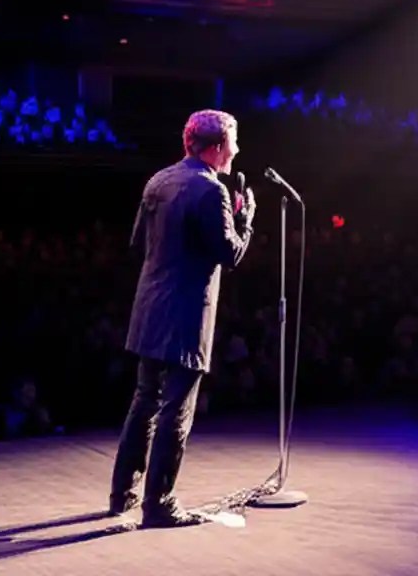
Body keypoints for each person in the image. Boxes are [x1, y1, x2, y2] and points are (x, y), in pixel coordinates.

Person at [108, 109, 255, 528]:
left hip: (150, 307)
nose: (236, 151)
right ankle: (159, 504)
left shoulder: (158, 180)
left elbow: (138, 243)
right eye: (233, 143)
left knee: (144, 401)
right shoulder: (212, 190)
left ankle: (123, 494)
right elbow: (230, 253)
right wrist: (245, 219)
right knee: (176, 410)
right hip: (186, 312)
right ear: (217, 147)